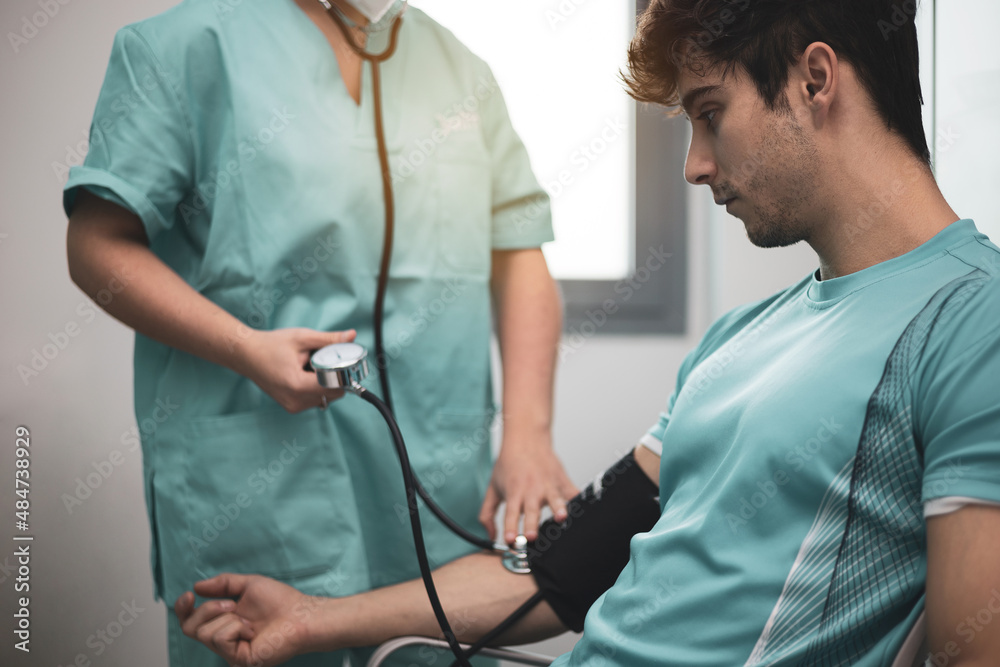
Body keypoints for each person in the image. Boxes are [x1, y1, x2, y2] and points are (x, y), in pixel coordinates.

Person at [175, 0, 1000, 665]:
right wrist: (313, 619)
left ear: (815, 79)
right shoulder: (737, 341)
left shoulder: (972, 322)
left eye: (709, 113)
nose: (695, 165)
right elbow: (558, 574)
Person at [63, 0, 578, 664]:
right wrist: (245, 349)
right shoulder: (183, 48)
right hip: (260, 491)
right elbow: (96, 246)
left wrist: (530, 433)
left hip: (437, 488)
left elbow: (519, 251)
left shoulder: (460, 70)